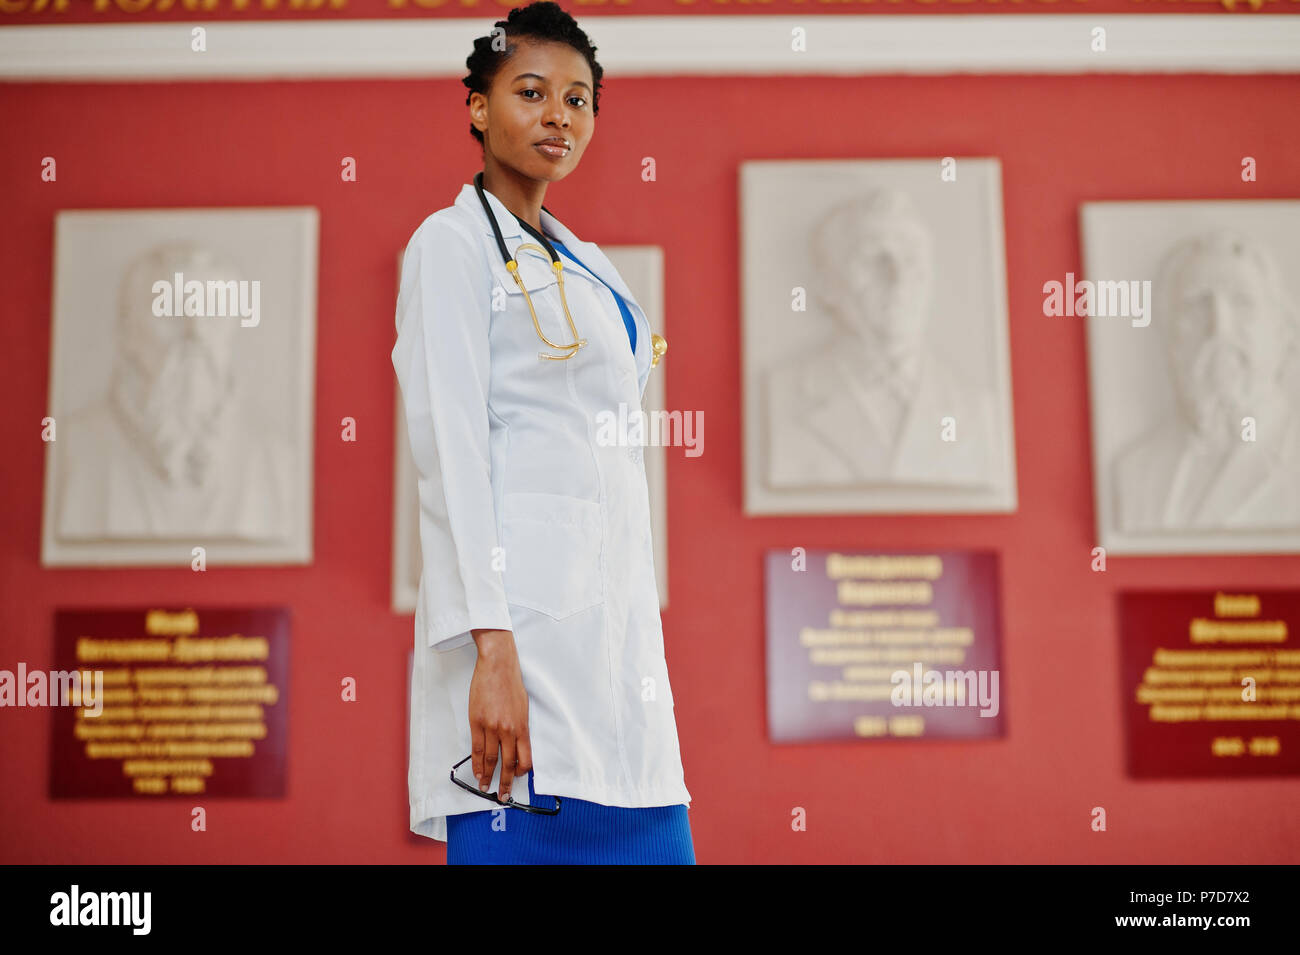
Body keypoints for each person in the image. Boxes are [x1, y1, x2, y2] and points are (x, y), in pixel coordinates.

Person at [391, 2, 694, 864]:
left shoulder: (588, 264)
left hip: (618, 663)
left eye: (579, 98)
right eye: (531, 92)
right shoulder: (449, 245)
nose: (559, 114)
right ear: (479, 107)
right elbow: (449, 453)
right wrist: (489, 647)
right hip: (519, 653)